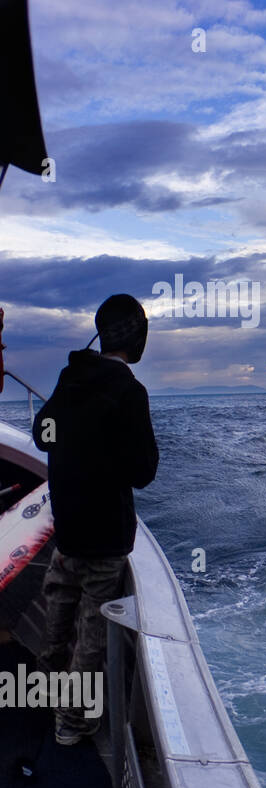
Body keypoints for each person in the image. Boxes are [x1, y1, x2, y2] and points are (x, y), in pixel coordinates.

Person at [32, 293, 158, 746]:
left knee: (58, 611)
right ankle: (72, 723)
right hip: (104, 539)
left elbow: (41, 433)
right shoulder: (130, 391)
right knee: (91, 633)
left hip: (67, 529)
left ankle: (44, 690)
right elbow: (143, 472)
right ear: (137, 338)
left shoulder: (71, 377)